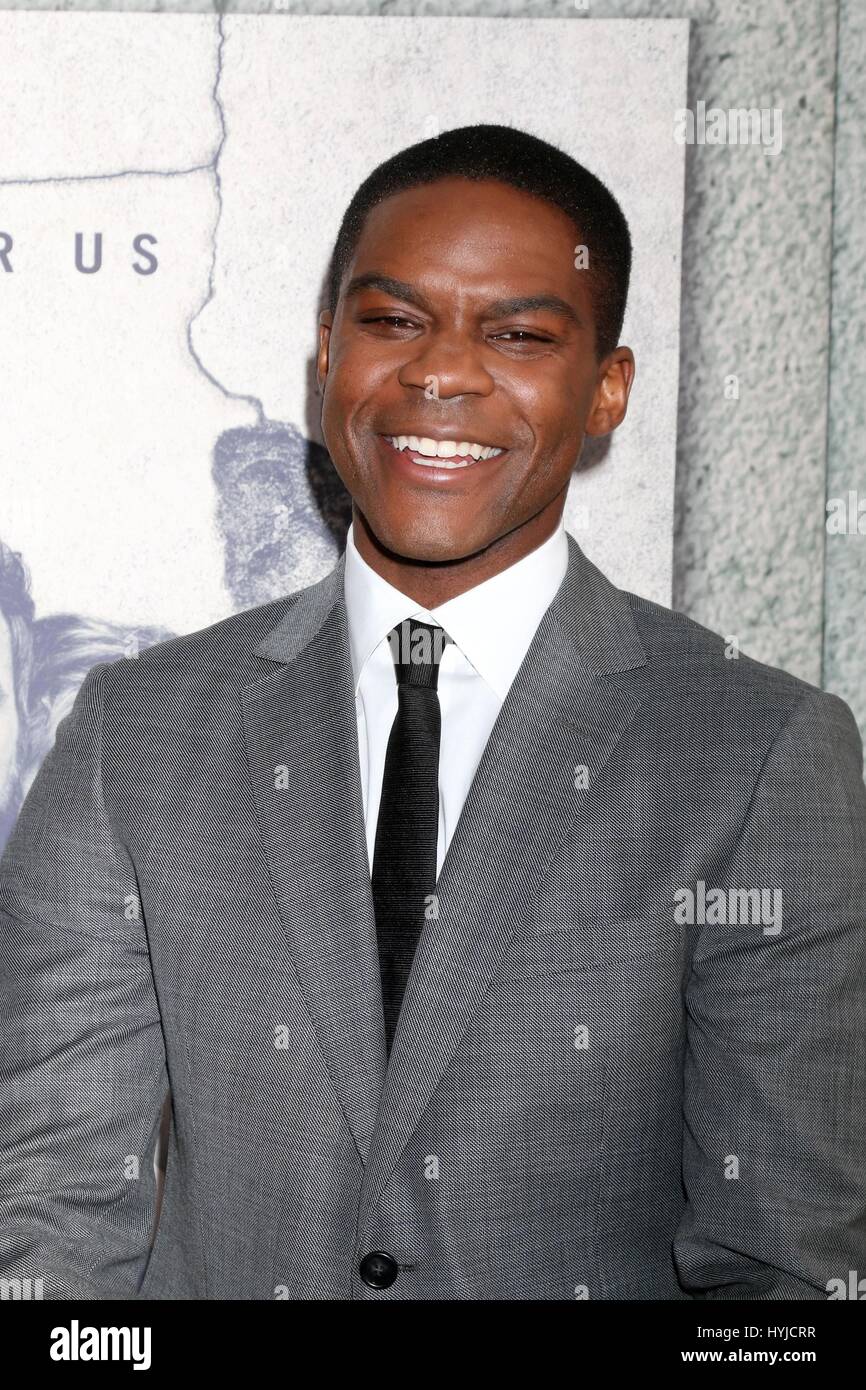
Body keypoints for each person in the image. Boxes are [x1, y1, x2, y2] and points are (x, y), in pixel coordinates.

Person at [1, 123, 864, 1301]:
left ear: (606, 387)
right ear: (325, 355)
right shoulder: (131, 732)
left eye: (516, 334)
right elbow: (52, 1221)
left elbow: (787, 1269)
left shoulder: (756, 753)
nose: (439, 374)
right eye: (392, 322)